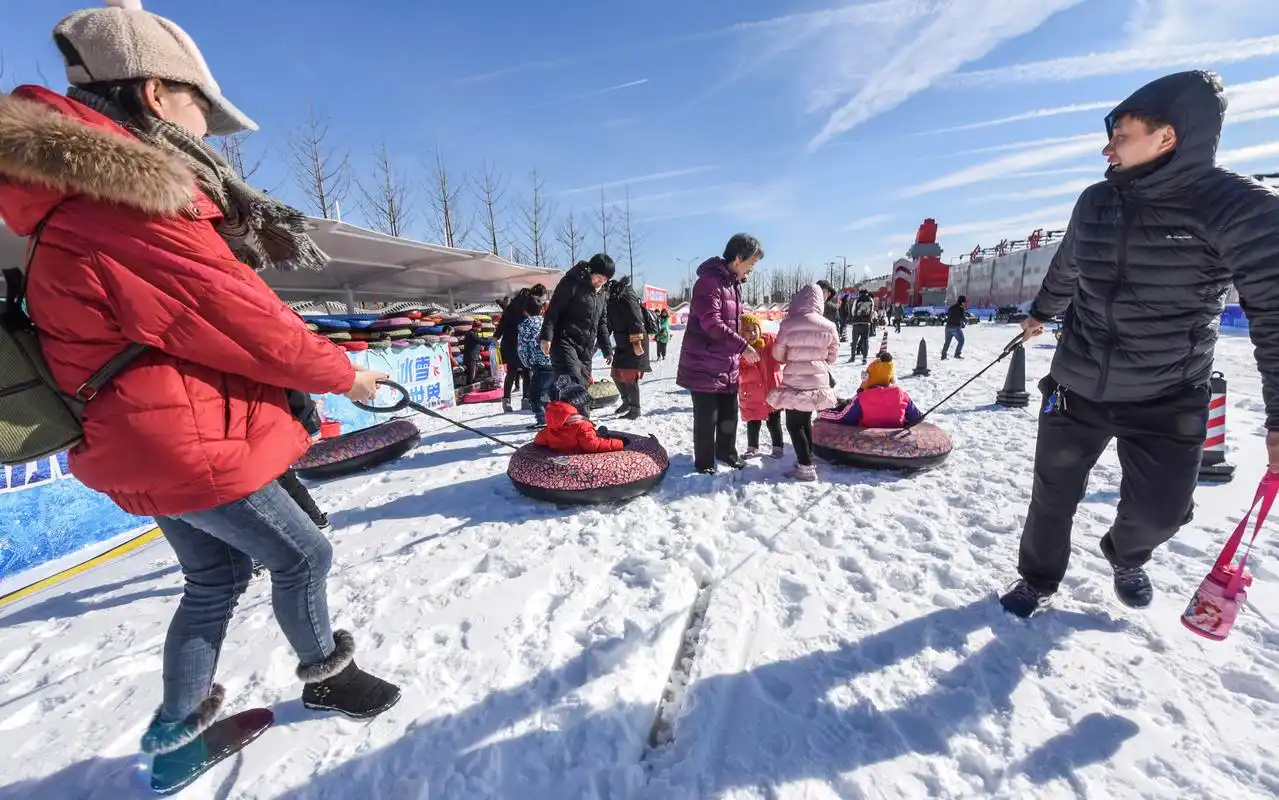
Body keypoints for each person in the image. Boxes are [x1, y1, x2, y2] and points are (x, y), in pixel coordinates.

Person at [0, 3, 400, 761]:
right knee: (303, 556)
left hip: (135, 441)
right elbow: (251, 325)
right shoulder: (129, 210)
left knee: (214, 576)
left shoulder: (65, 207)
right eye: (200, 106)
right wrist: (347, 373)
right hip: (187, 444)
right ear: (154, 95)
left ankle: (175, 725)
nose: (208, 130)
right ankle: (326, 676)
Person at [1000, 70, 1279, 620]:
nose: (1107, 148)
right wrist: (1040, 314)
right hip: (1077, 383)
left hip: (1167, 393)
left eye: (1120, 135)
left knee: (1163, 513)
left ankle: (1126, 554)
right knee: (1051, 497)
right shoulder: (1096, 200)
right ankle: (1037, 578)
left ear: (1166, 137)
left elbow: (1274, 312)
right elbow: (1067, 266)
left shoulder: (1241, 208)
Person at [677, 234, 764, 473]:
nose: (752, 269)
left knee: (729, 414)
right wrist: (742, 346)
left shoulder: (732, 285)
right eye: (751, 263)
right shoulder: (709, 283)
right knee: (707, 417)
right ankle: (704, 462)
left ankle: (726, 452)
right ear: (738, 258)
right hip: (704, 363)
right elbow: (712, 324)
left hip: (727, 362)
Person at [768, 284, 840, 481]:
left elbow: (778, 354)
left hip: (796, 382)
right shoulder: (829, 326)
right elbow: (833, 357)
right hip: (818, 381)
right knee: (805, 421)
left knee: (794, 424)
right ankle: (807, 458)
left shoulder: (788, 324)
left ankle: (805, 467)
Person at [541, 255, 614, 394]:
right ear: (591, 271)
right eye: (599, 277)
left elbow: (601, 323)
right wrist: (546, 337)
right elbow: (553, 311)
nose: (601, 282)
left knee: (583, 388)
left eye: (605, 280)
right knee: (574, 382)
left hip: (585, 349)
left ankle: (575, 415)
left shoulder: (602, 294)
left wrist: (607, 349)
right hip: (565, 341)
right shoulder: (572, 283)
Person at [823, 353, 924, 427]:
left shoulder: (862, 397)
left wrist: (823, 413)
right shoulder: (901, 394)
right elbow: (917, 417)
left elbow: (844, 418)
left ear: (869, 377)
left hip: (866, 438)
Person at [533, 376, 626, 455]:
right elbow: (593, 445)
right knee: (603, 435)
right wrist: (619, 443)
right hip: (578, 457)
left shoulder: (554, 424)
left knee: (601, 431)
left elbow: (538, 439)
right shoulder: (581, 426)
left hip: (561, 455)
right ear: (580, 407)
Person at [738, 312, 784, 459]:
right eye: (746, 330)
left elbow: (783, 356)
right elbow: (736, 373)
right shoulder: (738, 351)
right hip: (751, 393)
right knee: (753, 421)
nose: (751, 333)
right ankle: (752, 447)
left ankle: (778, 446)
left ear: (760, 329)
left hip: (772, 391)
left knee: (774, 421)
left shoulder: (770, 342)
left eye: (754, 329)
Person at [495, 284, 545, 412]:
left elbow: (502, 323)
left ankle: (506, 401)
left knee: (511, 372)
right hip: (522, 343)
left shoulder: (511, 306)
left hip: (508, 343)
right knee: (526, 371)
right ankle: (525, 400)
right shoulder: (528, 307)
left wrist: (496, 336)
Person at [606, 275, 650, 420]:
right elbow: (608, 323)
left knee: (630, 377)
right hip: (621, 341)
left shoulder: (624, 294)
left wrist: (637, 343)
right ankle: (626, 402)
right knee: (616, 374)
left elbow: (635, 319)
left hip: (633, 340)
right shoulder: (611, 299)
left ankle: (635, 409)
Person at [518, 299, 555, 429]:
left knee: (535, 394)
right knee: (553, 392)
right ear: (542, 310)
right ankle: (557, 418)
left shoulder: (525, 326)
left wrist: (527, 363)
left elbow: (523, 347)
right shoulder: (547, 322)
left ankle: (542, 419)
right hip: (554, 362)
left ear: (525, 311)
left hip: (540, 364)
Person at [848, 289, 875, 363]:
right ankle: (864, 359)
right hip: (866, 324)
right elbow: (872, 311)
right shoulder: (871, 300)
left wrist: (855, 317)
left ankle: (852, 357)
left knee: (854, 341)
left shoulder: (857, 300)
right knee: (865, 341)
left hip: (856, 323)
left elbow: (853, 312)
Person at [941, 295, 967, 360]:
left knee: (947, 342)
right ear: (962, 302)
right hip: (955, 327)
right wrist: (965, 321)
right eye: (964, 302)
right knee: (961, 341)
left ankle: (943, 356)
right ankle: (957, 354)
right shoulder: (961, 308)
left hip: (948, 327)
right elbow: (962, 318)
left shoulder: (951, 307)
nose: (964, 303)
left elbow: (950, 316)